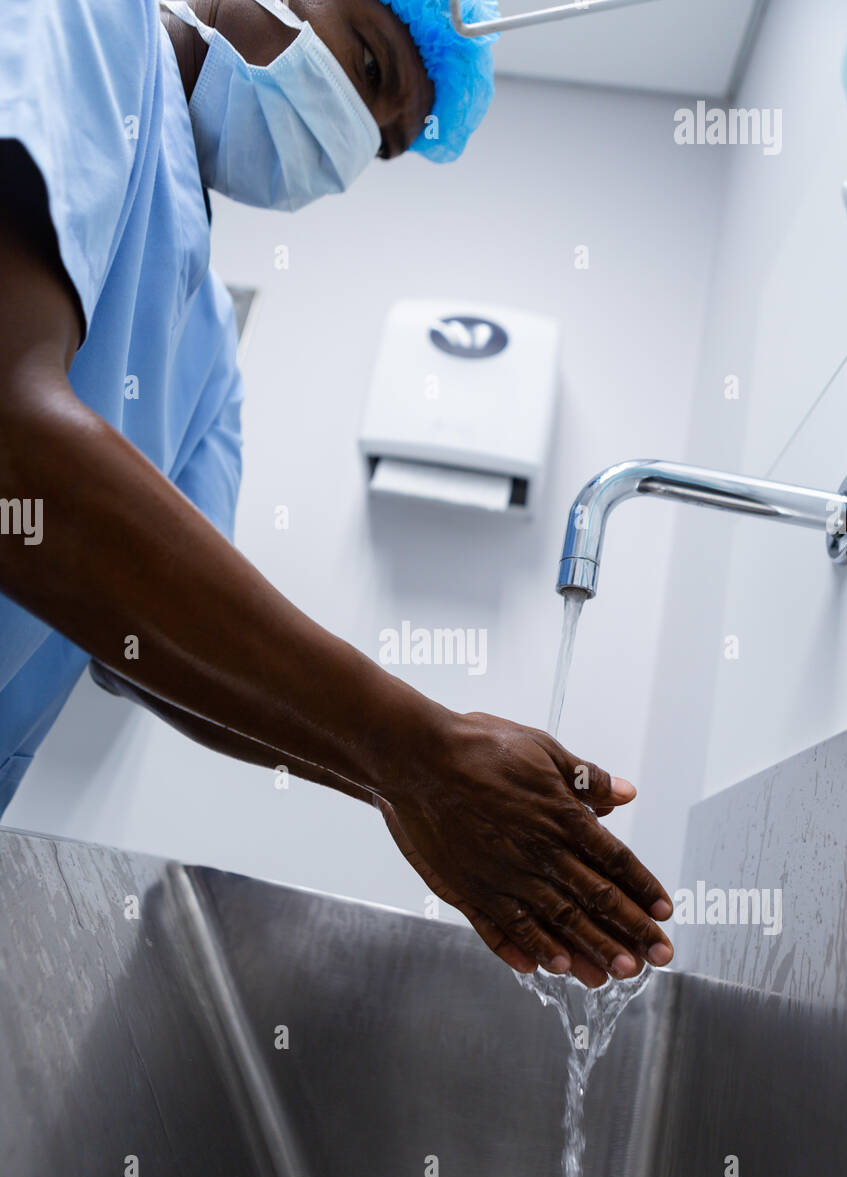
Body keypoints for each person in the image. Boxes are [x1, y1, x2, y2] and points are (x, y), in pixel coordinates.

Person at [0, 0, 674, 984]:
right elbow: (15, 444)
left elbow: (145, 653)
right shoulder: (81, 25)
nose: (355, 136)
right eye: (366, 63)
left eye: (389, 141)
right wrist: (415, 752)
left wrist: (415, 784)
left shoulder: (211, 364)